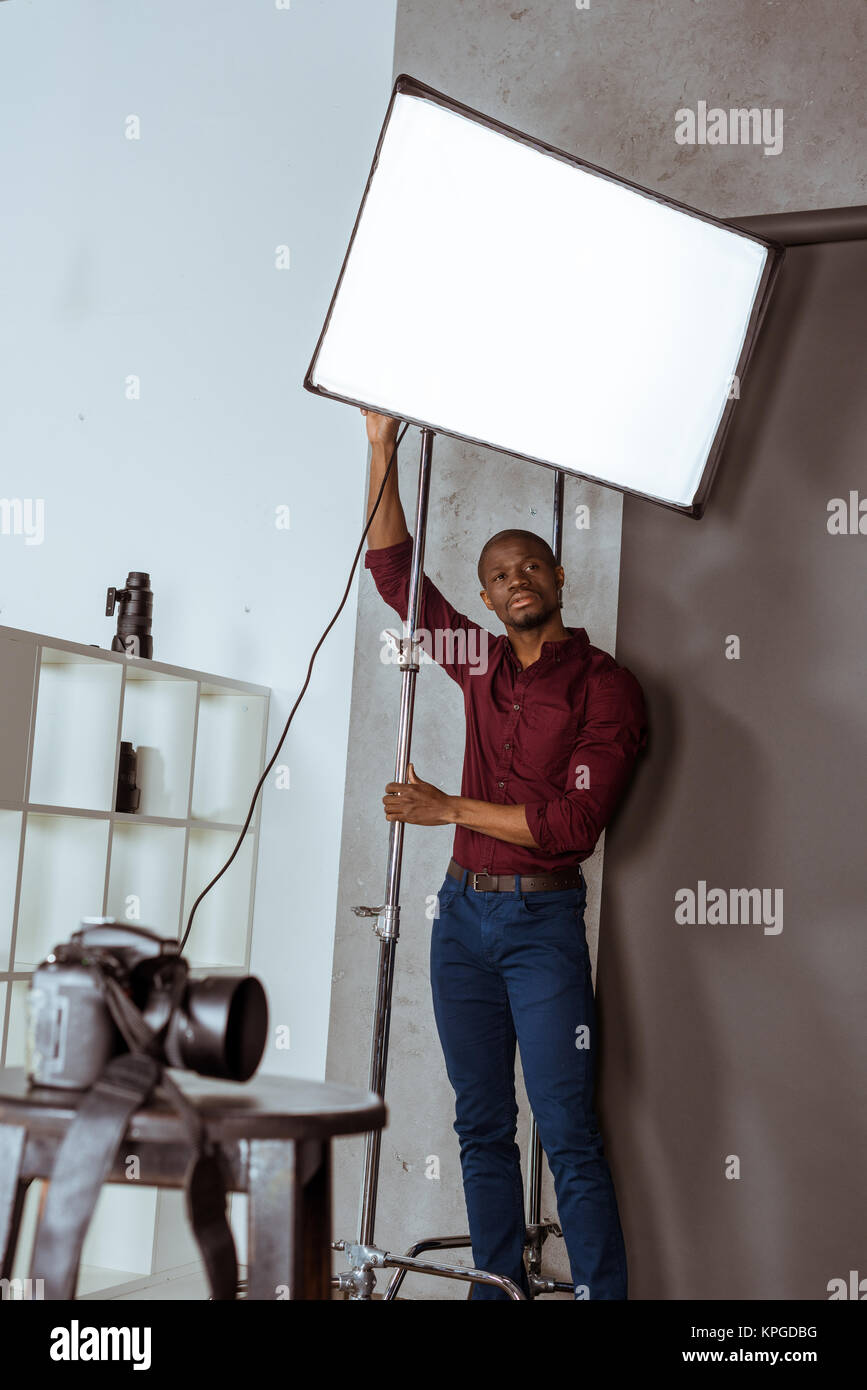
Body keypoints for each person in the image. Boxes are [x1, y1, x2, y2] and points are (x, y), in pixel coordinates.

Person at [361, 407, 648, 1300]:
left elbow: (570, 827)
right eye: (497, 575)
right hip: (462, 919)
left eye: (528, 566)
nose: (515, 580)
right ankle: (497, 1291)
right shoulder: (477, 661)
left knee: (565, 1130)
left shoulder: (606, 686)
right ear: (484, 599)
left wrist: (446, 806)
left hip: (539, 923)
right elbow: (395, 572)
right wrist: (379, 445)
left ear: (557, 577)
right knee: (479, 1123)